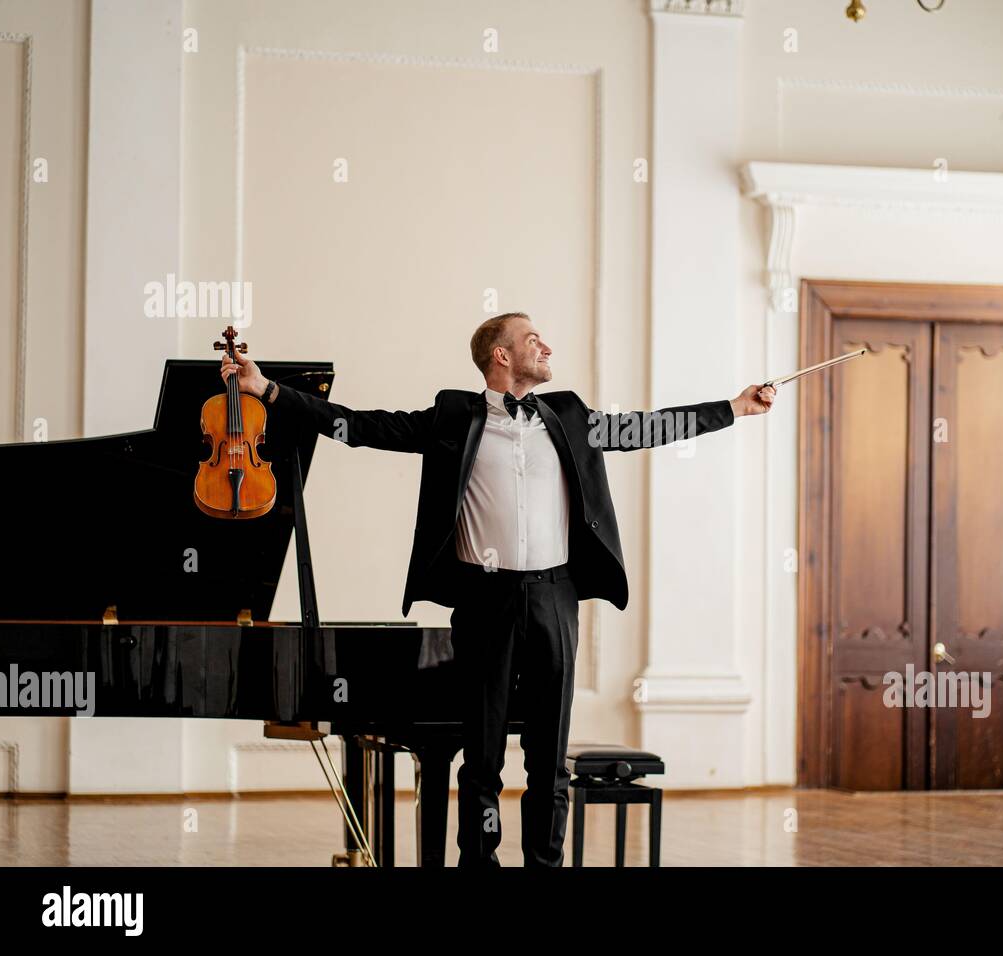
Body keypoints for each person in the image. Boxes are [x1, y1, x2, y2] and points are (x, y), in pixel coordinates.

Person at [221, 311, 774, 866]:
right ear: (502, 356)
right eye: (534, 339)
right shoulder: (452, 417)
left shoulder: (570, 417)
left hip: (554, 598)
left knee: (547, 760)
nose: (547, 346)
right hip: (484, 602)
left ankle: (543, 865)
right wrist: (266, 389)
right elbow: (361, 426)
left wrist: (734, 407)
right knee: (482, 758)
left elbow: (648, 426)